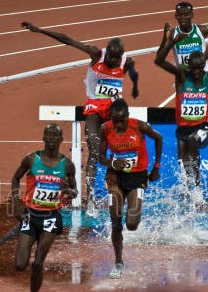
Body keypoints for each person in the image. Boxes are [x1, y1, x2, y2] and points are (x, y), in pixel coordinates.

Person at [20, 21, 139, 213]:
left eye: (117, 58)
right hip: (93, 109)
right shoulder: (95, 54)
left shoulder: (127, 61)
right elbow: (68, 40)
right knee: (93, 152)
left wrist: (134, 85)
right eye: (111, 56)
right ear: (106, 51)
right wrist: (39, 29)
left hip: (113, 111)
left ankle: (122, 192)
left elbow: (130, 73)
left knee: (119, 150)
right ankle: (90, 197)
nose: (114, 61)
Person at [11, 124, 78, 292]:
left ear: (61, 140)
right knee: (20, 265)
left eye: (55, 135)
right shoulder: (31, 159)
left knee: (38, 262)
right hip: (31, 215)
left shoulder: (67, 165)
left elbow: (73, 192)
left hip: (51, 216)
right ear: (43, 137)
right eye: (48, 134)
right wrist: (16, 203)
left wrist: (69, 192)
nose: (51, 138)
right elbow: (15, 179)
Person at [98, 98, 163, 278]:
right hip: (116, 178)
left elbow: (159, 138)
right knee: (115, 219)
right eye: (114, 120)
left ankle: (131, 216)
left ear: (128, 116)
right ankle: (118, 261)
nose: (118, 124)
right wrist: (112, 162)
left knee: (132, 224)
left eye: (121, 120)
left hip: (137, 177)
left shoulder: (139, 127)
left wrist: (156, 167)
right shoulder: (106, 129)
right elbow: (100, 156)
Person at [155, 25, 208, 190]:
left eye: (200, 68)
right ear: (188, 67)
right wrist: (171, 42)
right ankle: (186, 185)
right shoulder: (182, 78)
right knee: (182, 151)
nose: (197, 72)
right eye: (193, 68)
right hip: (184, 126)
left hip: (202, 128)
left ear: (204, 65)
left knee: (192, 140)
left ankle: (197, 184)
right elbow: (159, 61)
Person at [157, 1, 208, 68]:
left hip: (202, 74)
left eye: (186, 14)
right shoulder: (172, 33)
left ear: (192, 15)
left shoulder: (201, 30)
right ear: (176, 16)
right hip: (184, 78)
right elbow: (159, 57)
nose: (183, 17)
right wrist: (165, 37)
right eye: (180, 15)